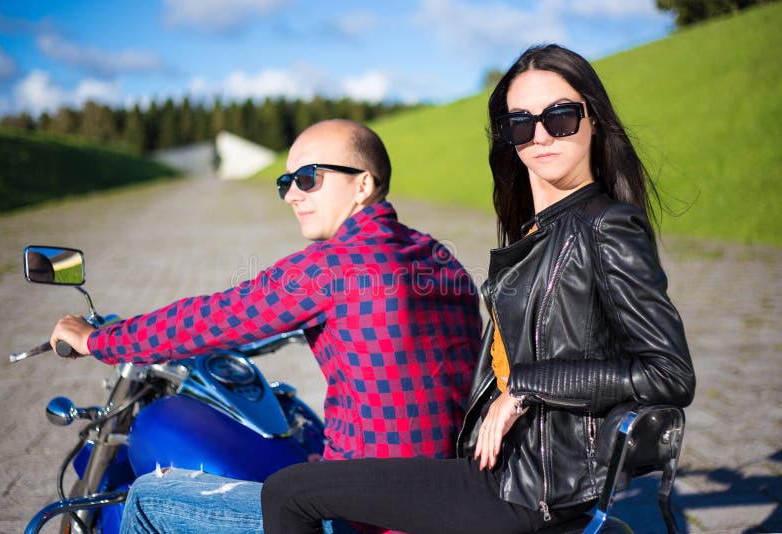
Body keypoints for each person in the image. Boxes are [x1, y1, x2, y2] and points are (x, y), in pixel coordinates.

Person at [260, 44, 697, 534]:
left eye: (560, 117)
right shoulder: (539, 231)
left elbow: (668, 373)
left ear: (592, 119)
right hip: (506, 471)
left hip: (528, 491)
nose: (540, 136)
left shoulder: (607, 226)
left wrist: (524, 390)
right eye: (521, 124)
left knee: (288, 492)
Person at [50, 119, 483, 532]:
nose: (293, 194)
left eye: (309, 178)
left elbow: (211, 319)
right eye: (286, 182)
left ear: (363, 185)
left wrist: (98, 340)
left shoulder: (334, 266)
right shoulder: (441, 260)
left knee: (149, 499)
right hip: (444, 499)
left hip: (361, 516)